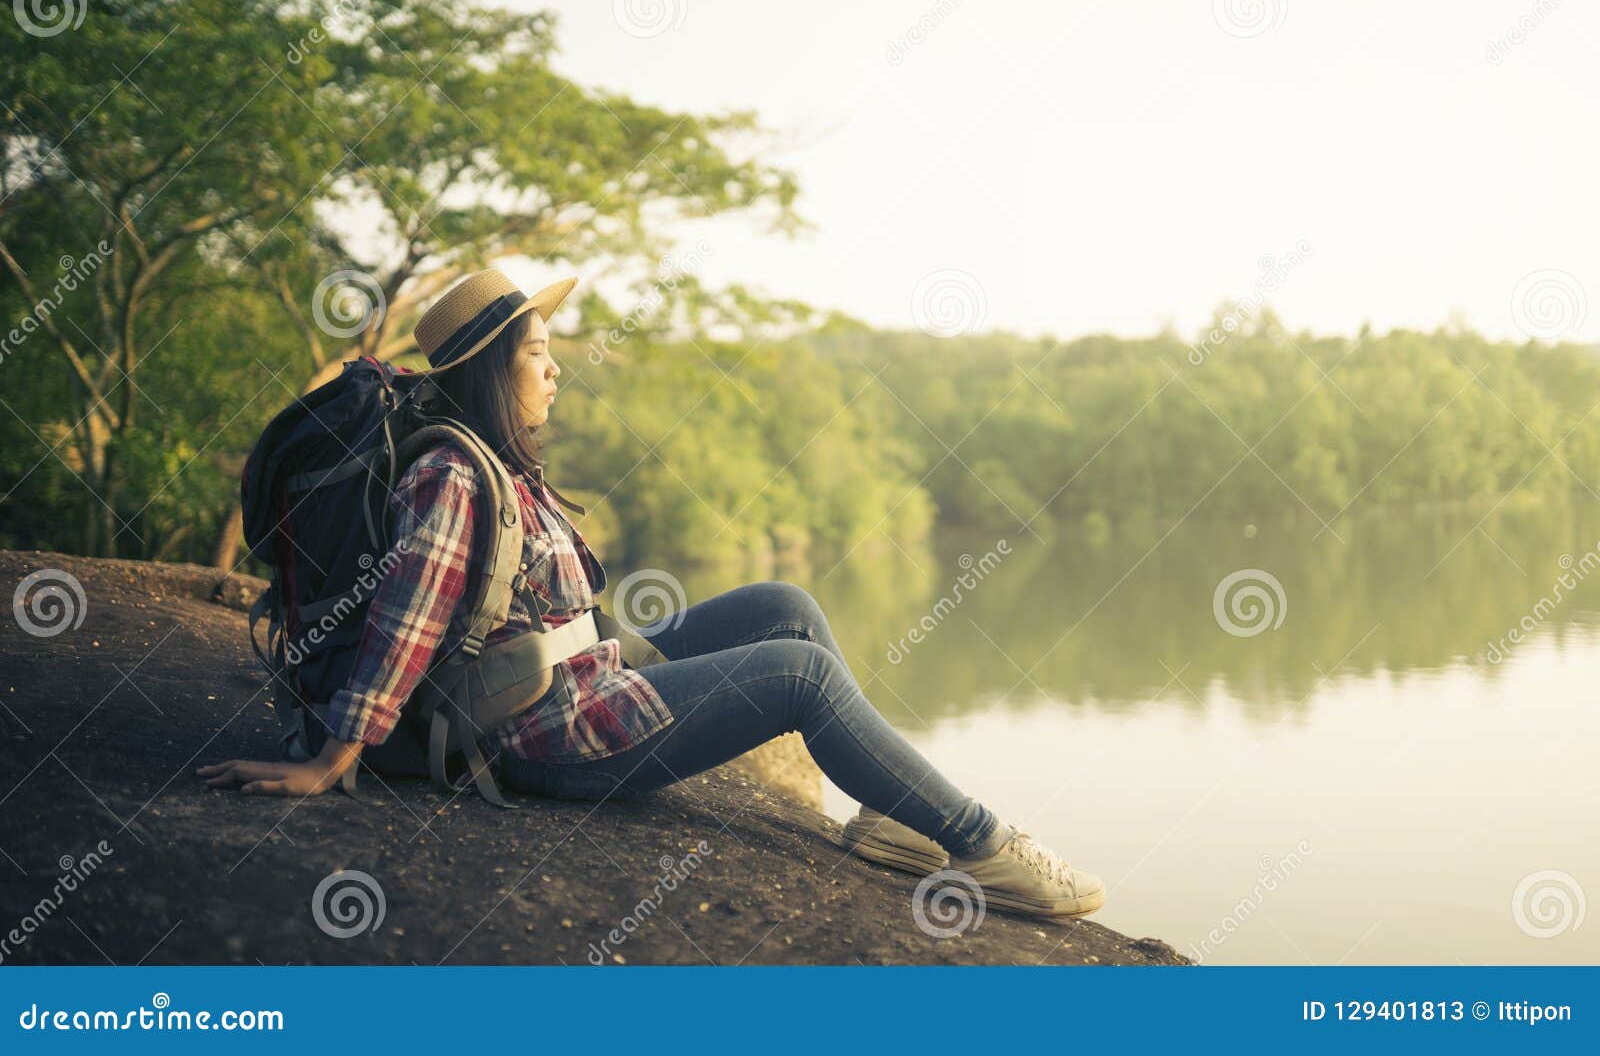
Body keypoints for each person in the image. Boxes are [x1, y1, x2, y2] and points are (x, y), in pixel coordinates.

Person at [199, 269, 1105, 922]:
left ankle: (893, 818)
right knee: (799, 674)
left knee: (781, 603)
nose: (554, 371)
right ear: (491, 370)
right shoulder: (454, 474)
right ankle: (983, 844)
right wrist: (332, 757)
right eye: (539, 354)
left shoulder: (495, 462)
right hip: (540, 734)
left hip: (572, 677)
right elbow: (407, 615)